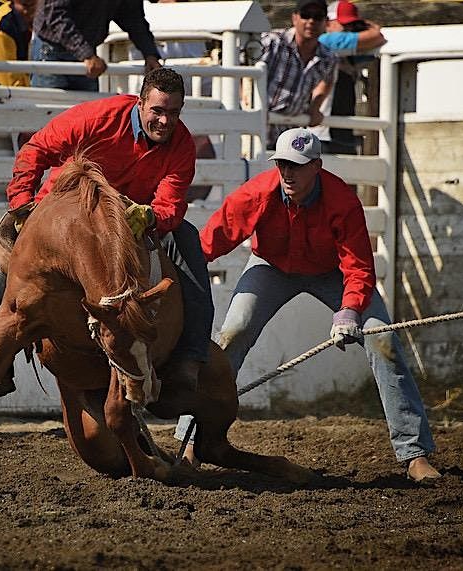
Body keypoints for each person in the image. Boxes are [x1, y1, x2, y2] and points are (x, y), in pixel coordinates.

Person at [174, 128, 441, 482]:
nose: (288, 173)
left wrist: (349, 309)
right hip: (270, 267)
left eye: (297, 166)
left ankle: (414, 454)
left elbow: (359, 267)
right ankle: (189, 444)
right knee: (232, 333)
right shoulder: (257, 194)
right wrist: (178, 279)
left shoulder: (342, 201)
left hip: (332, 273)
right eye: (283, 164)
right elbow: (209, 242)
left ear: (317, 165)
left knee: (382, 339)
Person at [0, 67, 214, 396]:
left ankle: (190, 356)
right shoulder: (98, 117)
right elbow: (36, 150)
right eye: (157, 111)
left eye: (173, 113)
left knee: (188, 242)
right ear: (141, 103)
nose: (164, 121)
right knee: (11, 275)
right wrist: (24, 207)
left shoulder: (182, 145)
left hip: (129, 220)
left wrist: (150, 216)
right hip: (68, 215)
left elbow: (172, 204)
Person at [31, 0, 162, 91]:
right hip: (54, 51)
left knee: (84, 119)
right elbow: (56, 16)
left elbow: (132, 16)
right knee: (51, 116)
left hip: (85, 53)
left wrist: (149, 54)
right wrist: (86, 54)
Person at [257, 0, 338, 148]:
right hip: (257, 130)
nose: (311, 21)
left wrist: (316, 106)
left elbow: (328, 80)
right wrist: (247, 104)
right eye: (306, 15)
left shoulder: (328, 57)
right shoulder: (273, 42)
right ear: (294, 18)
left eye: (318, 17)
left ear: (325, 22)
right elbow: (244, 70)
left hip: (291, 138)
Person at [313, 0, 386, 153]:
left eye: (353, 26)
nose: (350, 30)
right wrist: (368, 26)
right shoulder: (324, 41)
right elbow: (376, 36)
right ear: (327, 23)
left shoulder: (347, 53)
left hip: (340, 131)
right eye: (344, 25)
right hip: (322, 133)